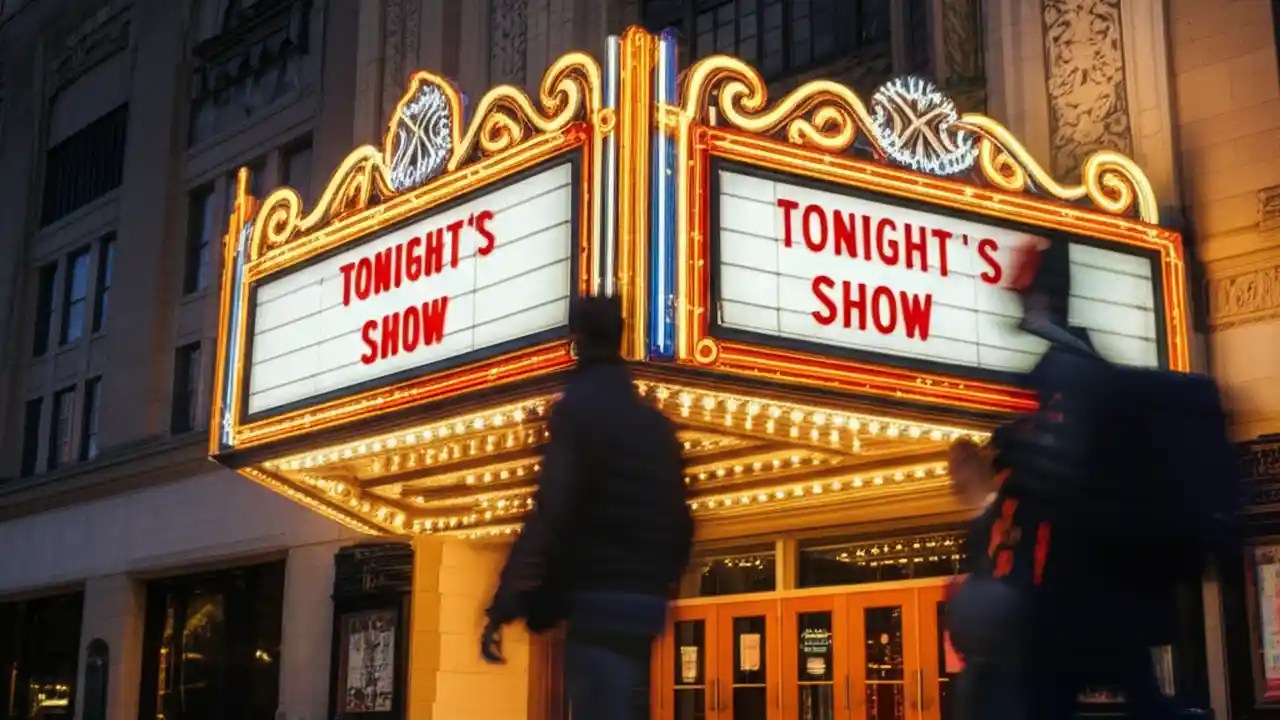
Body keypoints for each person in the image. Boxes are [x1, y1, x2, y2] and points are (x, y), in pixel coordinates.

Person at [480, 295, 694, 719]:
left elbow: (552, 511)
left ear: (579, 339)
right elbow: (681, 523)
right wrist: (662, 581)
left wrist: (507, 598)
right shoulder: (655, 427)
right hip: (644, 605)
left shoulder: (577, 412)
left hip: (596, 600)